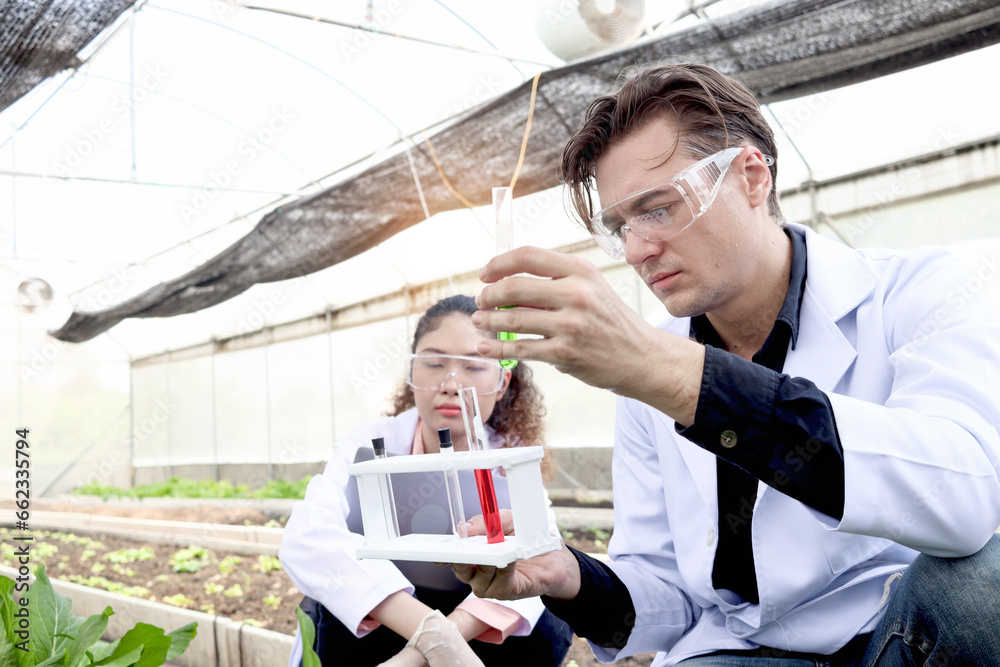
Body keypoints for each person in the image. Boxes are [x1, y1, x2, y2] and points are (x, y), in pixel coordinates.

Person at [453, 63, 1000, 666]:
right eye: (619, 226)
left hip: (897, 637)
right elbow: (668, 593)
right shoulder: (645, 372)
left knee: (984, 581)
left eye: (657, 208)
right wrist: (570, 577)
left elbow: (966, 499)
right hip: (747, 651)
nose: (636, 249)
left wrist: (673, 374)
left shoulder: (920, 291)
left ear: (751, 176)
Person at [279, 294, 572, 667]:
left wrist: (431, 648)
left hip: (474, 628)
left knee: (544, 617)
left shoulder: (511, 462)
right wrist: (428, 631)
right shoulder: (367, 443)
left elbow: (541, 558)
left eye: (474, 366)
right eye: (433, 363)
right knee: (333, 606)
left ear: (502, 383)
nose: (450, 384)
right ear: (411, 373)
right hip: (387, 612)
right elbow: (308, 535)